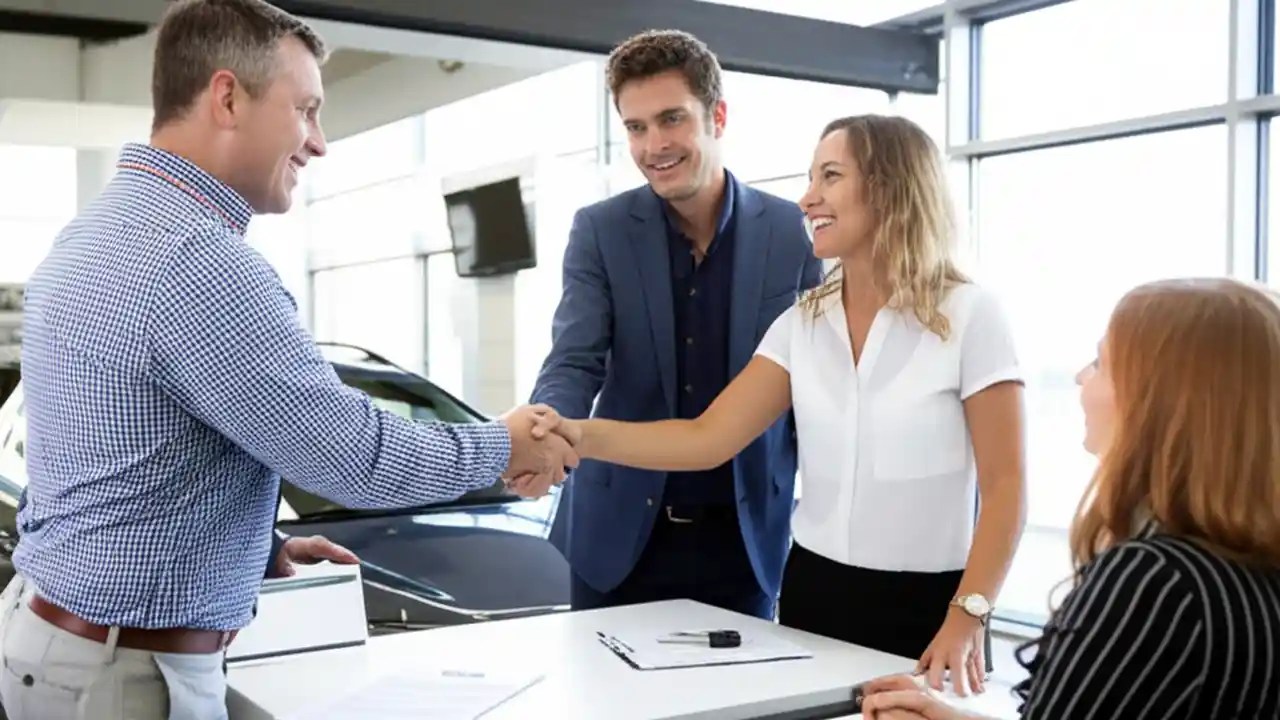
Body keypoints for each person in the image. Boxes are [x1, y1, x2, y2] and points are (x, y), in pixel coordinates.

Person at [0, 1, 574, 718]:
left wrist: (256, 553)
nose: (319, 142)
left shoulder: (89, 236)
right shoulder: (198, 260)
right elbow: (351, 457)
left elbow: (119, 465)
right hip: (126, 671)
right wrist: (504, 442)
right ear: (227, 97)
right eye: (305, 109)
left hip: (60, 639)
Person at [538, 114, 1027, 694]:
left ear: (890, 186)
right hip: (814, 596)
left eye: (830, 176)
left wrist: (968, 616)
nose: (807, 198)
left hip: (933, 607)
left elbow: (1006, 486)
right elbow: (705, 439)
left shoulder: (971, 315)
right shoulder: (803, 321)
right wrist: (574, 434)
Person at [858, 277, 1280, 720]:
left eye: (1101, 363)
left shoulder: (1157, 583)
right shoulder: (1247, 574)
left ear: (1160, 405)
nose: (1081, 376)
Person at [530, 29, 823, 621]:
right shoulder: (600, 230)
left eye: (671, 120)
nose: (653, 145)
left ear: (716, 115)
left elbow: (817, 379)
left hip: (743, 543)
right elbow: (575, 358)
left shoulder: (792, 232)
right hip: (616, 542)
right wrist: (543, 434)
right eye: (636, 127)